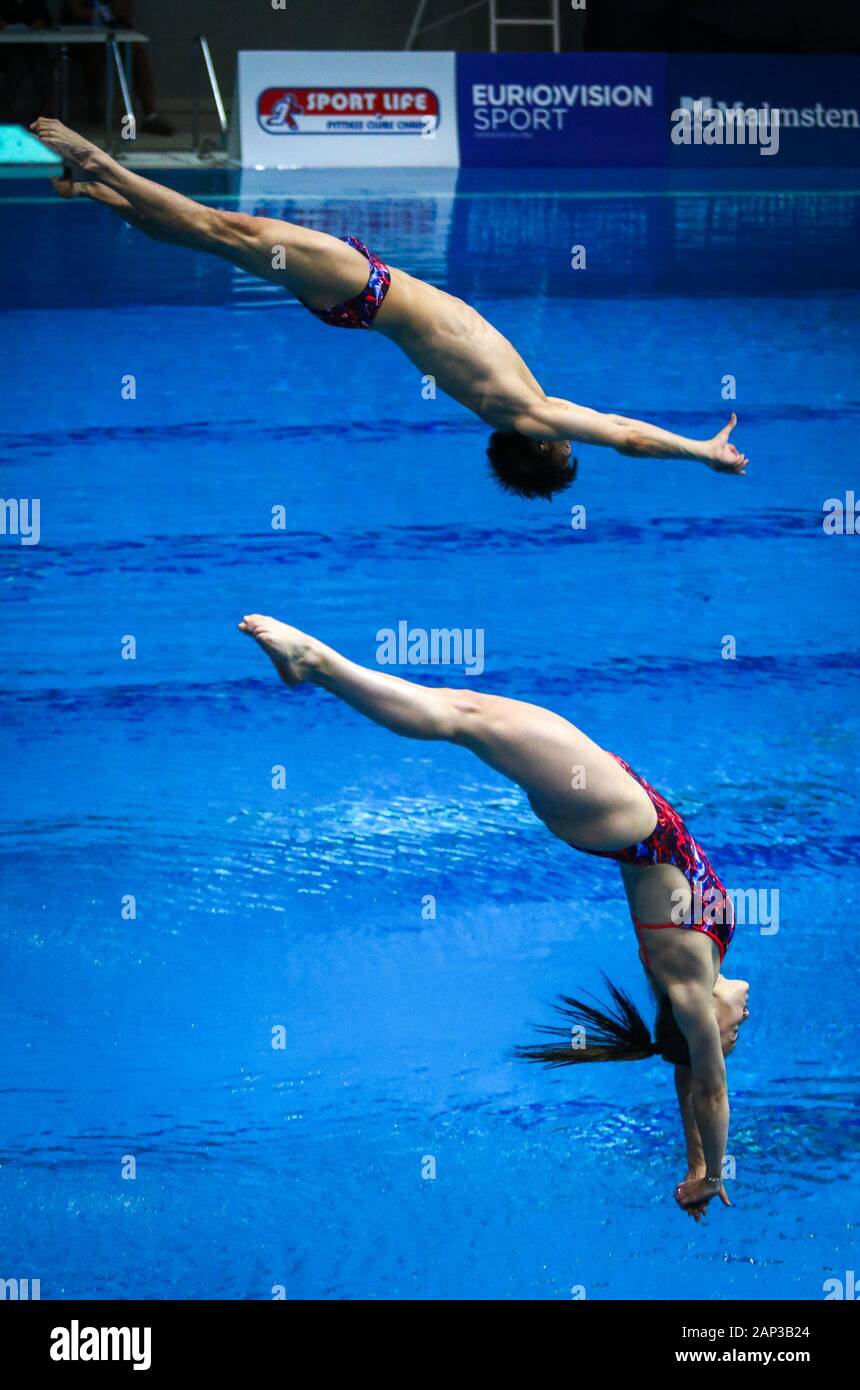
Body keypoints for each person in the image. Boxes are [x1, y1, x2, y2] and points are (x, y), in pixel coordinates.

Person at [237, 612, 749, 1219]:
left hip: (618, 816)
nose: (740, 1027)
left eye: (729, 1039)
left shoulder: (688, 987)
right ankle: (318, 667)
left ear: (701, 1027)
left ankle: (316, 663)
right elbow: (691, 1079)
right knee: (465, 712)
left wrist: (713, 1174)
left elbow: (708, 1088)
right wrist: (694, 1162)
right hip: (622, 805)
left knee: (464, 719)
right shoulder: (700, 974)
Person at [31, 116, 750, 501]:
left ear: (541, 447)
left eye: (567, 447)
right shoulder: (527, 406)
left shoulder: (524, 413)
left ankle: (102, 165)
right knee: (220, 241)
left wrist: (700, 452)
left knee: (226, 230)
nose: (573, 437)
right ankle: (102, 193)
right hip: (358, 298)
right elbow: (618, 425)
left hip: (363, 290)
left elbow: (624, 436)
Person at [59, 2, 174, 134]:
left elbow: (122, 12)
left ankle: (150, 115)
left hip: (115, 32)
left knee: (137, 53)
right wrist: (94, 14)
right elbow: (76, 11)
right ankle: (93, 105)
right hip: (83, 33)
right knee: (93, 55)